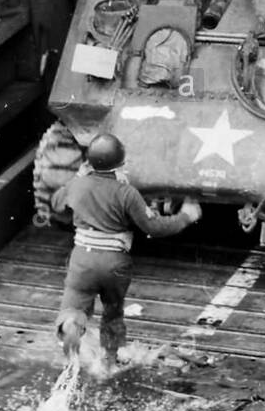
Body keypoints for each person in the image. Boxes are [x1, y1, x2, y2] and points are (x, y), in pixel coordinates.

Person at [51, 133, 203, 368]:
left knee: (74, 305)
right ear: (121, 163)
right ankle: (110, 362)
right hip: (115, 262)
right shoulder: (127, 193)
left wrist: (78, 178)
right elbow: (154, 227)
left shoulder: (78, 184)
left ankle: (72, 324)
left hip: (83, 258)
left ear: (88, 161)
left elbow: (56, 203)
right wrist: (185, 217)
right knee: (112, 311)